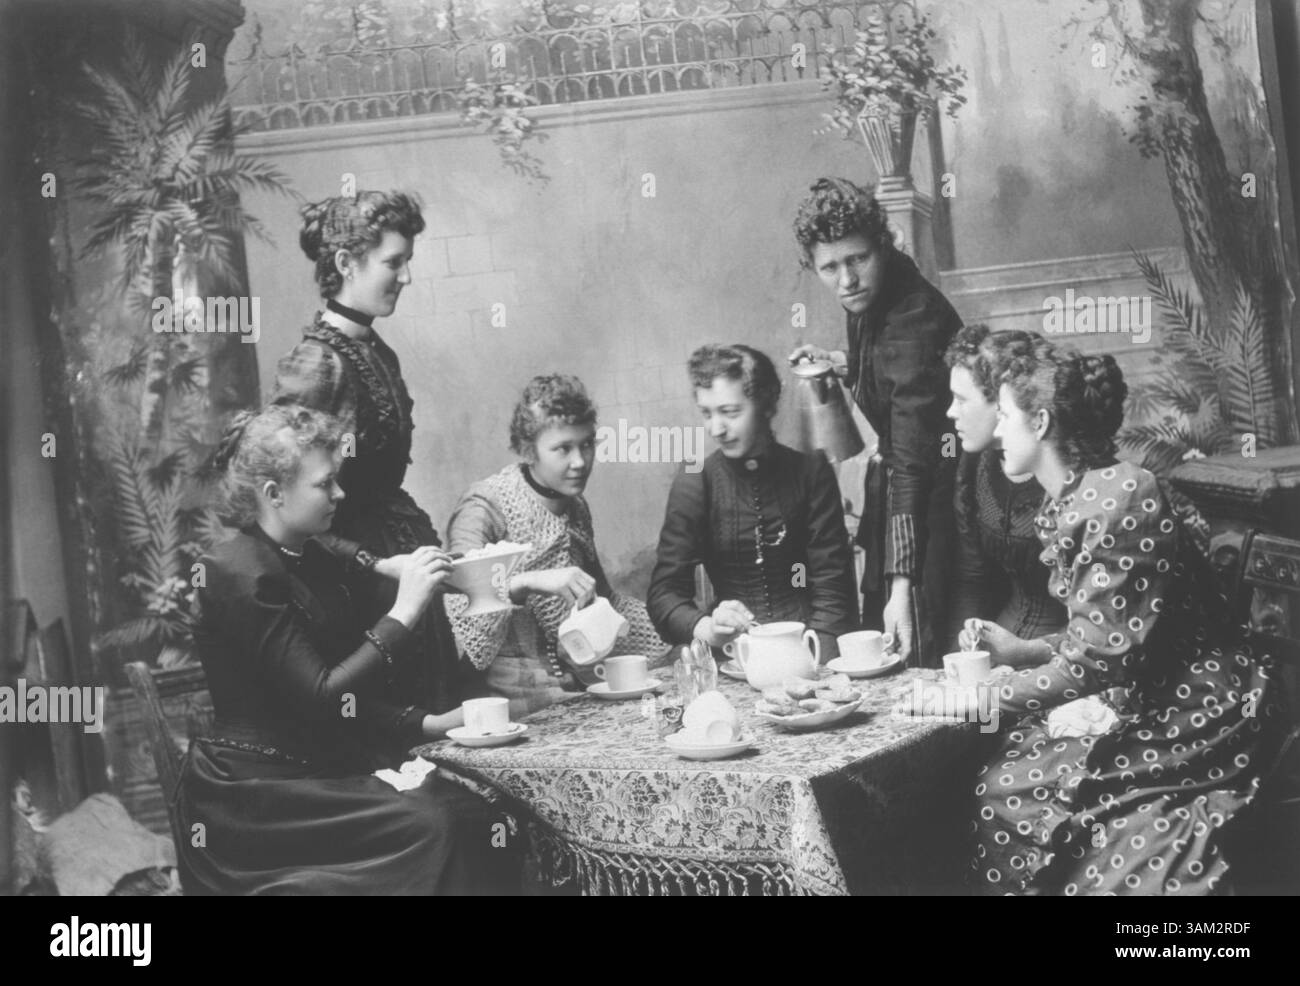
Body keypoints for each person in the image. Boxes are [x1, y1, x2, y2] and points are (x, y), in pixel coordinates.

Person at [957, 339, 1279, 894]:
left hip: (1204, 703)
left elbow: (1099, 665)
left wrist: (980, 699)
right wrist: (1024, 652)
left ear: (1038, 421)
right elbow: (1113, 634)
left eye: (1005, 414)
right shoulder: (1077, 497)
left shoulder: (1121, 496)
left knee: (1015, 789)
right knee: (1001, 782)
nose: (999, 430)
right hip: (1151, 694)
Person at [177, 405, 521, 895]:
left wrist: (429, 724)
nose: (340, 493)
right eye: (324, 484)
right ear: (274, 494)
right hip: (253, 796)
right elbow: (322, 692)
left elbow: (339, 696)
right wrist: (403, 612)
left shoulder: (303, 555)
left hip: (311, 772)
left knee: (476, 812)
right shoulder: (236, 572)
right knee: (435, 823)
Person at [272, 190, 464, 713]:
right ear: (345, 263)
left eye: (407, 263)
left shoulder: (376, 350)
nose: (405, 277)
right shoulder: (316, 363)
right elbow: (286, 502)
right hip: (352, 584)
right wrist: (375, 565)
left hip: (400, 569)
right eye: (393, 263)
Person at [790, 177, 962, 666]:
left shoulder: (915, 318)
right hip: (904, 491)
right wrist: (840, 362)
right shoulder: (876, 296)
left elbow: (913, 462)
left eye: (857, 260)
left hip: (940, 501)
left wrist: (902, 585)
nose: (846, 280)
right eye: (830, 267)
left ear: (882, 247)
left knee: (921, 651)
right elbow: (887, 366)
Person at [445, 374, 670, 714]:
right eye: (563, 448)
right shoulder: (487, 504)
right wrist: (527, 581)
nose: (579, 462)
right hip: (508, 700)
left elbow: (606, 602)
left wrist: (682, 628)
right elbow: (456, 594)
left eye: (587, 444)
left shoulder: (576, 507)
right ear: (527, 449)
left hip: (576, 683)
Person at [647, 344, 858, 659]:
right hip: (731, 657)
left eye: (730, 412)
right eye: (707, 413)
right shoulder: (696, 481)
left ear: (767, 404)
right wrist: (706, 627)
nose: (716, 429)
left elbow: (833, 592)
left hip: (812, 652)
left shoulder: (811, 473)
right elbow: (664, 595)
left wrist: (814, 664)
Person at [944, 326, 1065, 656]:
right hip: (1003, 642)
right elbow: (973, 577)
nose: (950, 412)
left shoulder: (1059, 471)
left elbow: (1102, 633)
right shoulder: (975, 467)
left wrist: (1024, 652)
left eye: (961, 400)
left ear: (1001, 398)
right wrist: (964, 649)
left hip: (1064, 651)